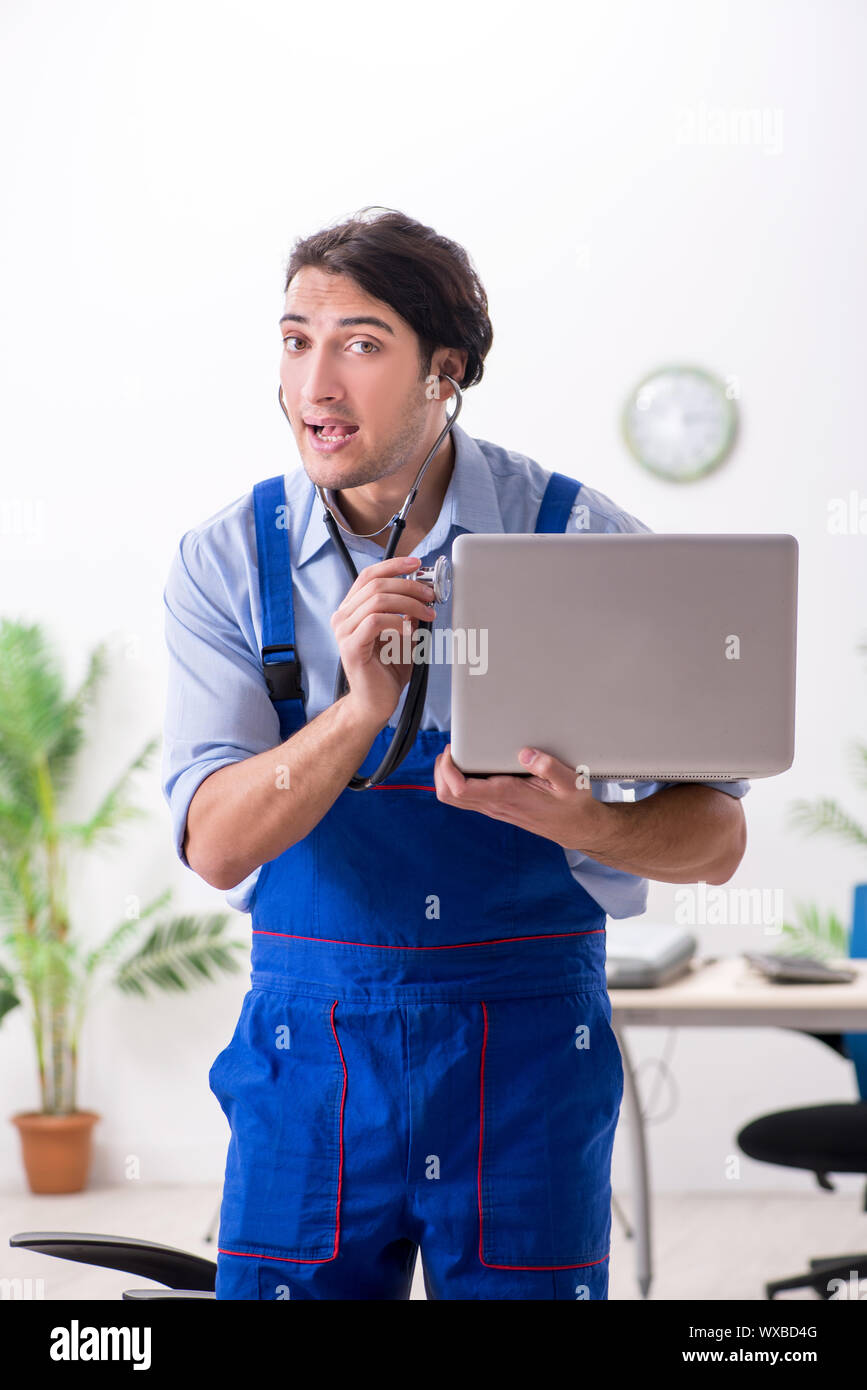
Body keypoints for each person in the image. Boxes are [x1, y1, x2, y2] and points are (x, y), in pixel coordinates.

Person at [161, 206, 749, 1300]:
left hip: (527, 1059)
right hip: (309, 1059)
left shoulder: (578, 539)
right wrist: (356, 712)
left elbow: (717, 839)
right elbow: (215, 844)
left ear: (447, 371)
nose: (315, 384)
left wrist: (590, 822)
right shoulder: (227, 561)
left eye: (360, 344)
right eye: (295, 341)